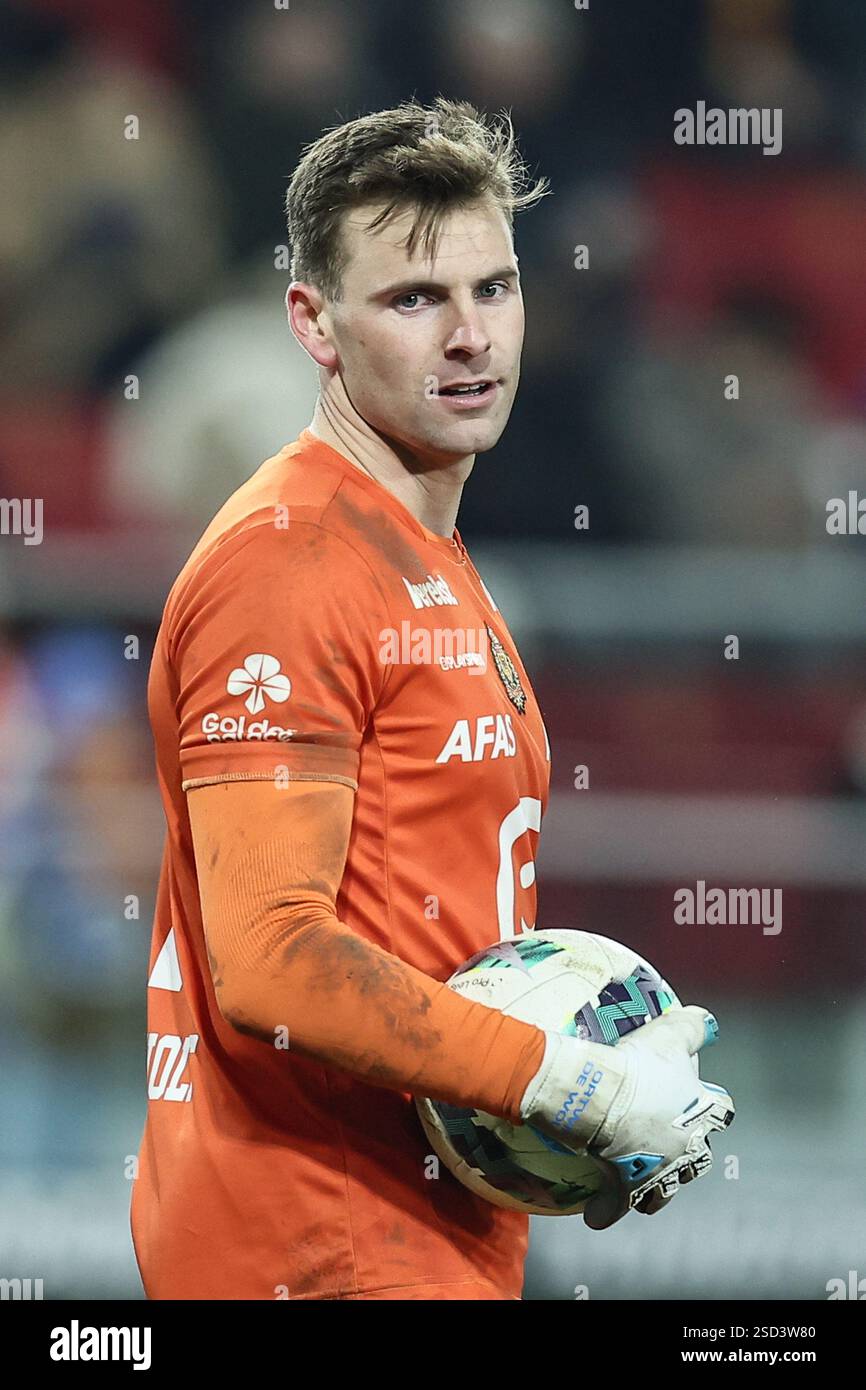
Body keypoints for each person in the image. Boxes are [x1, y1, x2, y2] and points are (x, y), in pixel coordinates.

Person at [131, 98, 733, 1301]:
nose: (469, 337)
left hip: (416, 1236)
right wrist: (572, 1085)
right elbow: (271, 960)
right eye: (413, 300)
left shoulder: (430, 553)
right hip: (319, 1244)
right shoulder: (288, 565)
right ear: (314, 322)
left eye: (492, 290)